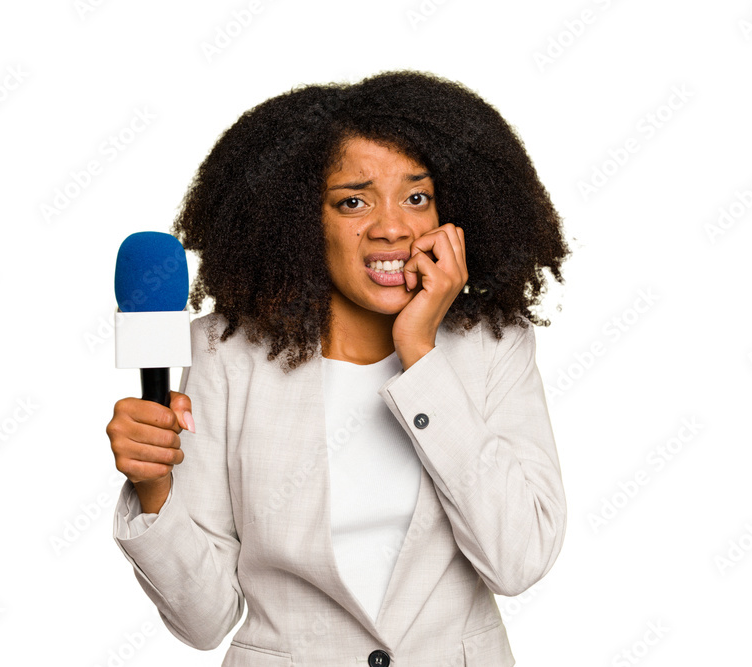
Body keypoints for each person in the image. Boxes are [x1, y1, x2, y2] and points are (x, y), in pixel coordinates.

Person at [106, 69, 570, 666]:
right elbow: (204, 619)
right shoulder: (224, 354)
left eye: (417, 196)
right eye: (353, 200)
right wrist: (154, 486)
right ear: (301, 219)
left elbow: (520, 559)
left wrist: (420, 351)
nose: (392, 227)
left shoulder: (491, 346)